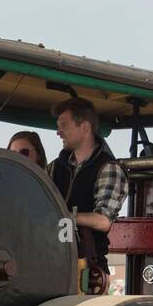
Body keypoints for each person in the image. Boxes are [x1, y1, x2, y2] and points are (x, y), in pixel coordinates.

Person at [47, 97, 128, 294]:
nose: (58, 132)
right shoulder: (55, 167)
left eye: (64, 125)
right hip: (53, 263)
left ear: (84, 127)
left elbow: (102, 220)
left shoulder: (108, 168)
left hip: (87, 268)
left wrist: (64, 216)